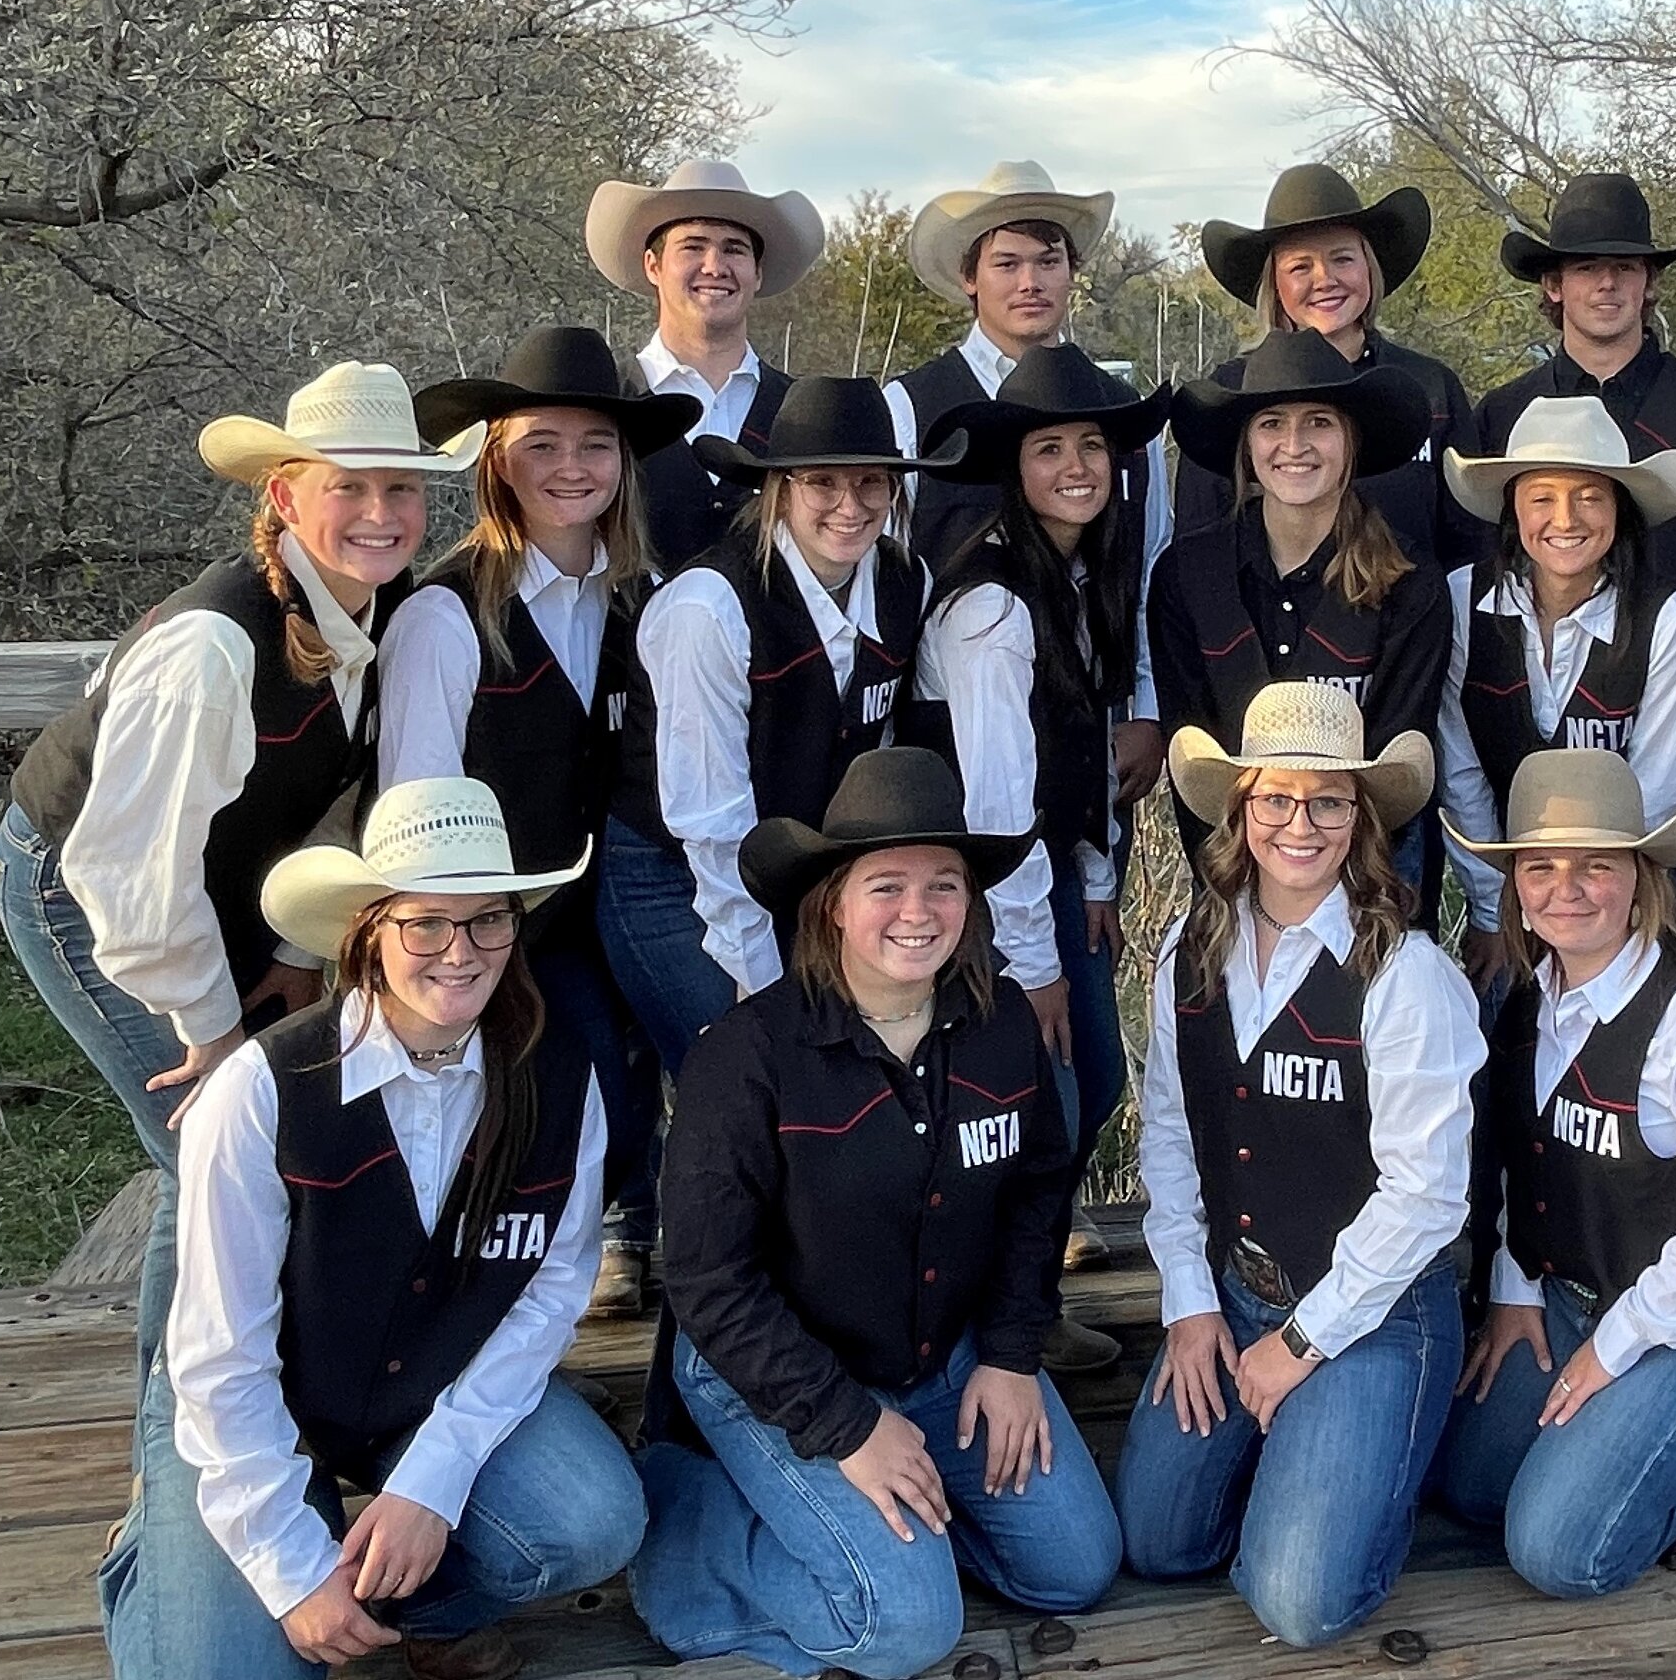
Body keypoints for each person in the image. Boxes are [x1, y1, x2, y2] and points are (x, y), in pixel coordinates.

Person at [0, 362, 477, 1388]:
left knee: (232, 1159)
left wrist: (299, 954)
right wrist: (213, 1028)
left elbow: (332, 804)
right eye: (346, 486)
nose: (380, 513)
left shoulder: (377, 612)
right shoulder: (215, 645)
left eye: (399, 488)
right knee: (216, 1159)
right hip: (90, 890)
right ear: (284, 495)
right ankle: (189, 1449)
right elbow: (126, 873)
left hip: (214, 881)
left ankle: (227, 1402)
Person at [102, 778, 642, 1680]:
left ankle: (412, 1607)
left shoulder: (562, 1075)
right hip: (248, 1401)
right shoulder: (259, 1090)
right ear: (369, 933)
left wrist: (434, 1478)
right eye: (426, 923)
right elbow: (218, 1359)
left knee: (592, 1522)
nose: (460, 953)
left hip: (425, 1381)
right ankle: (162, 1530)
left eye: (488, 921)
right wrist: (290, 1571)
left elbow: (551, 1288)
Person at [628, 748, 1121, 1680]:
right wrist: (848, 1428)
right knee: (907, 1632)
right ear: (832, 905)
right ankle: (694, 1543)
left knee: (1075, 1571)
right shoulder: (746, 1056)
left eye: (944, 885)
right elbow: (707, 1279)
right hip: (779, 1370)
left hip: (945, 1353)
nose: (918, 912)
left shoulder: (1004, 1025)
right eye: (886, 885)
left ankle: (881, 1529)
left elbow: (1036, 1192)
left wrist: (1013, 1354)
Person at [1117, 683, 1485, 1649]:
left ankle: (1360, 1460)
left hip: (1370, 1313)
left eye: (1329, 802)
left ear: (1360, 820)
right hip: (1236, 1292)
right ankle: (1318, 1469)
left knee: (1298, 1602)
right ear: (1241, 810)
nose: (1300, 824)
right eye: (1275, 799)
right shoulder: (1183, 950)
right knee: (1155, 1540)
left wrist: (1302, 1345)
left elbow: (1426, 1198)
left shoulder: (1406, 976)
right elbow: (1170, 1137)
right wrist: (1191, 1306)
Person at [1433, 750, 1676, 1593]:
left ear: (1640, 879)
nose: (1565, 888)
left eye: (1595, 866)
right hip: (1571, 1295)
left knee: (1557, 1552)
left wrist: (1617, 1346)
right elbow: (1518, 1166)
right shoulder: (1531, 997)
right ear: (1516, 886)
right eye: (1541, 867)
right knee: (1468, 1490)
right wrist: (1515, 1289)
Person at [383, 327, 692, 1319]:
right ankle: (574, 1248)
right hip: (502, 912)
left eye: (595, 444)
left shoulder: (643, 598)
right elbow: (415, 803)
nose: (571, 467)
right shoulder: (447, 614)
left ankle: (654, 1231)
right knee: (581, 1051)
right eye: (541, 443)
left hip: (629, 894)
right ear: (496, 459)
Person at [904, 344, 1172, 1374]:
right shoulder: (991, 606)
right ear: (1014, 468)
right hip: (981, 889)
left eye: (1092, 447)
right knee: (1041, 1099)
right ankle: (997, 1313)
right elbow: (996, 800)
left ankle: (1020, 1295)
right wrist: (1033, 964)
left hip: (1055, 874)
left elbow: (1082, 748)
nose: (1076, 467)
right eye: (1050, 448)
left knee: (1095, 1076)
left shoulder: (1081, 575)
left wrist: (1098, 882)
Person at [602, 377, 946, 1085]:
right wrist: (763, 984)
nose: (850, 507)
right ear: (778, 489)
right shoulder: (710, 607)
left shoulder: (906, 579)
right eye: (823, 483)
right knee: (747, 1069)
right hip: (671, 871)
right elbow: (710, 822)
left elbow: (871, 761)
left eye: (872, 484)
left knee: (832, 1073)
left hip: (800, 866)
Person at [885, 160, 1174, 912]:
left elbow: (1145, 571)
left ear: (1072, 273)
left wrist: (1145, 706)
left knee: (1084, 947)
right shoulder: (910, 408)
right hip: (954, 741)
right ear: (969, 277)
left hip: (1089, 747)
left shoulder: (1120, 414)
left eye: (1048, 261)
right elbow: (885, 577)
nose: (1029, 282)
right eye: (1006, 263)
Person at [1149, 329, 1452, 877]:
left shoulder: (1410, 583)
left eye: (1319, 421)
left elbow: (1396, 758)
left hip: (1372, 869)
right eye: (1271, 424)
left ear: (1350, 441)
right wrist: (1232, 877)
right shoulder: (1186, 576)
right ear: (1246, 445)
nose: (1294, 444)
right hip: (1230, 863)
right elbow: (1190, 749)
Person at [1434, 395, 1676, 985]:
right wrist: (1495, 907)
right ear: (1513, 511)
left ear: (1619, 509)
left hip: (1627, 902)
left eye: (1589, 495)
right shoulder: (1459, 601)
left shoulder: (1670, 619)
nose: (1566, 519)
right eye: (1542, 498)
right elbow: (1460, 773)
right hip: (1512, 896)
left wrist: (1604, 920)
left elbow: (1658, 789)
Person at [1172, 163, 1485, 571]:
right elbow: (1197, 556)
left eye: (1343, 259)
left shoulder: (1429, 388)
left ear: (1370, 269)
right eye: (1301, 266)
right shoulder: (1230, 398)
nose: (1325, 279)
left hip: (1412, 626)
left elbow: (1471, 547)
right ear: (1275, 285)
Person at [1472, 171, 1676, 599]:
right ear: (1554, 285)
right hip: (1541, 662)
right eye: (1587, 268)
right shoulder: (1504, 414)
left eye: (1625, 267)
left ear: (1650, 282)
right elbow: (1485, 556)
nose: (1608, 283)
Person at [584, 158, 825, 569]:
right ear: (653, 266)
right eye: (693, 246)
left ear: (757, 273)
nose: (715, 266)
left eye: (734, 248)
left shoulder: (801, 413)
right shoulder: (604, 405)